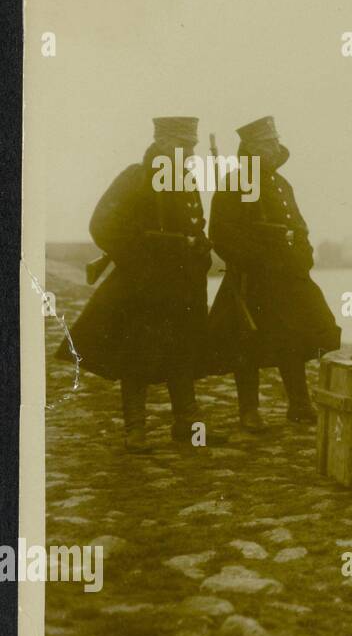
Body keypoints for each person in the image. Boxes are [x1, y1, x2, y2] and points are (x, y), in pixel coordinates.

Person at [58, 117, 226, 453]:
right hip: (145, 287)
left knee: (184, 353)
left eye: (192, 145)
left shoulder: (187, 181)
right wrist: (144, 260)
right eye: (185, 145)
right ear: (164, 145)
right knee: (138, 356)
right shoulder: (136, 177)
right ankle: (136, 430)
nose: (191, 152)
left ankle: (187, 426)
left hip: (184, 287)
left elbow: (196, 228)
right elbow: (102, 225)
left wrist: (200, 251)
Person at [207, 117, 341, 431]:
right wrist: (255, 260)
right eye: (267, 144)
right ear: (251, 149)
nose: (274, 148)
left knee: (296, 338)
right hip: (251, 280)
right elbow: (222, 234)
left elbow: (299, 227)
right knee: (246, 345)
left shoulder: (282, 185)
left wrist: (303, 257)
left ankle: (299, 404)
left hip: (289, 278)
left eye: (275, 142)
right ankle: (249, 411)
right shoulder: (236, 182)